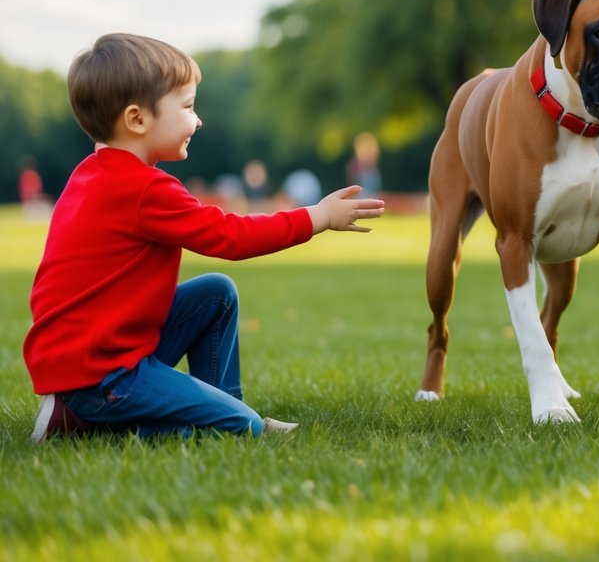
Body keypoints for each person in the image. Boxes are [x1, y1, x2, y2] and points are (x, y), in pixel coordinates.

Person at [24, 33, 386, 442]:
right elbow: (230, 236)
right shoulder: (144, 188)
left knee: (216, 294)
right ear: (137, 120)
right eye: (187, 107)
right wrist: (316, 216)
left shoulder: (91, 175)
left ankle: (220, 407)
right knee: (245, 428)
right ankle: (91, 421)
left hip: (96, 356)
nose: (197, 121)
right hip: (104, 374)